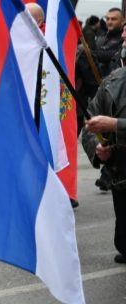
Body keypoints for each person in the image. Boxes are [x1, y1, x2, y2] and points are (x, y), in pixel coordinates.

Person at [81, 24, 126, 265]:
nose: (125, 36)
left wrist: (115, 124)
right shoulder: (112, 81)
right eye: (125, 32)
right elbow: (90, 121)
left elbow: (109, 122)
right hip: (120, 173)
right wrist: (98, 151)